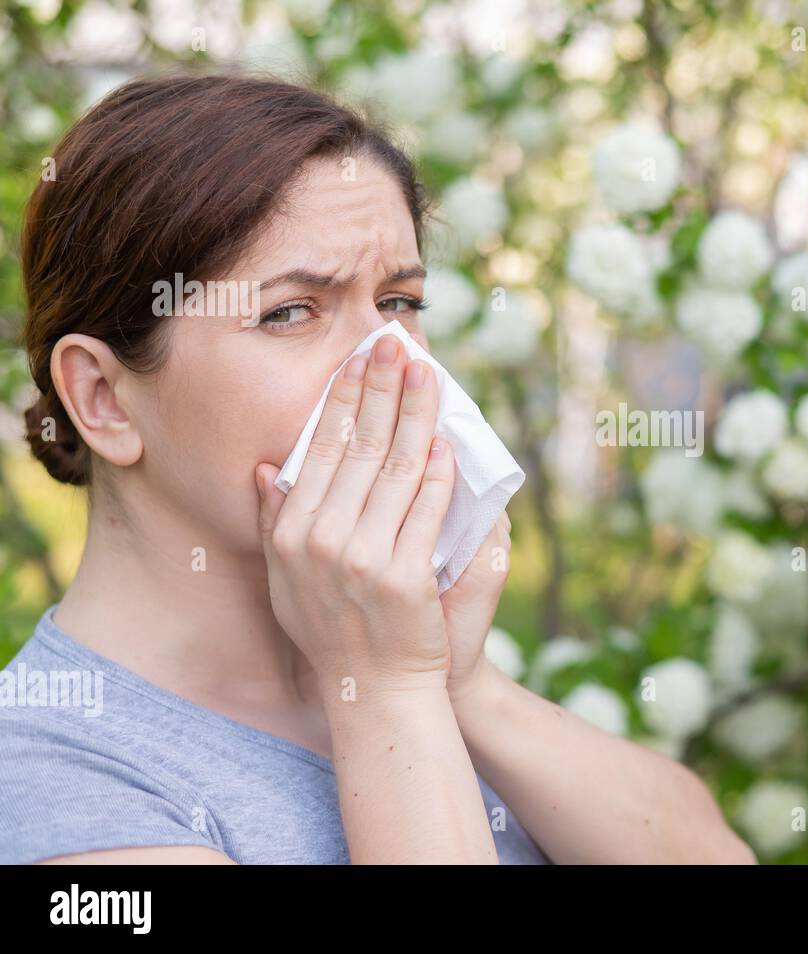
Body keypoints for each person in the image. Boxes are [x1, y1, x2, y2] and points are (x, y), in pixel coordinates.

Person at [0, 73, 756, 865]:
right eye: (290, 312)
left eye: (398, 302)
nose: (390, 361)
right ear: (103, 399)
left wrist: (465, 687)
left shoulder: (416, 672)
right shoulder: (50, 781)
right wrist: (388, 692)